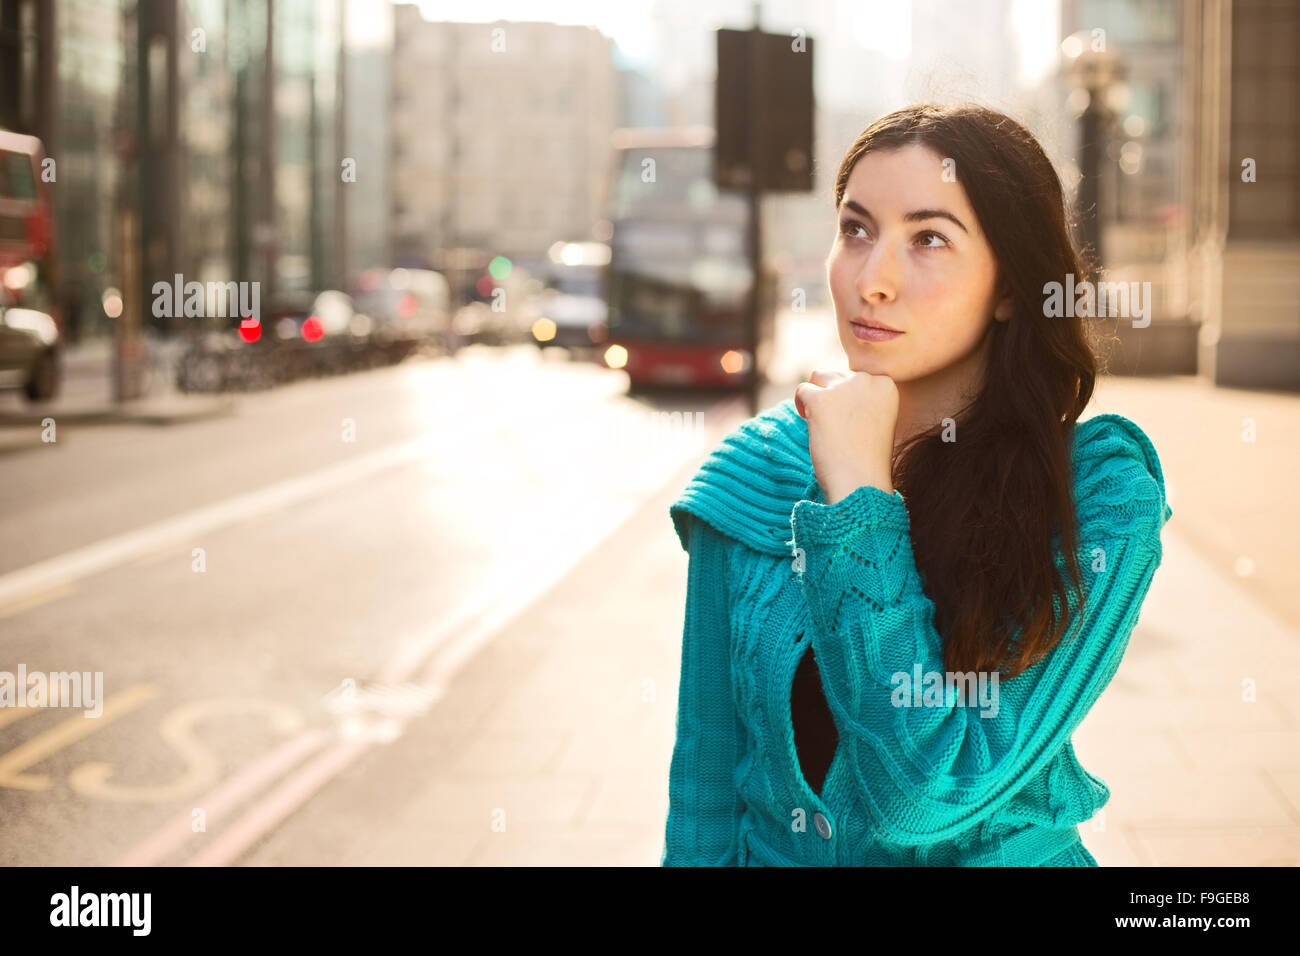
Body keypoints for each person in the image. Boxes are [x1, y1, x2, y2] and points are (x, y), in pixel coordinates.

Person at [661, 102, 1174, 866]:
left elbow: (932, 795)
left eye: (929, 238)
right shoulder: (752, 475)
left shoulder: (1098, 497)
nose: (872, 280)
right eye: (856, 229)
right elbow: (704, 796)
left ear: (1009, 286)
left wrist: (861, 500)